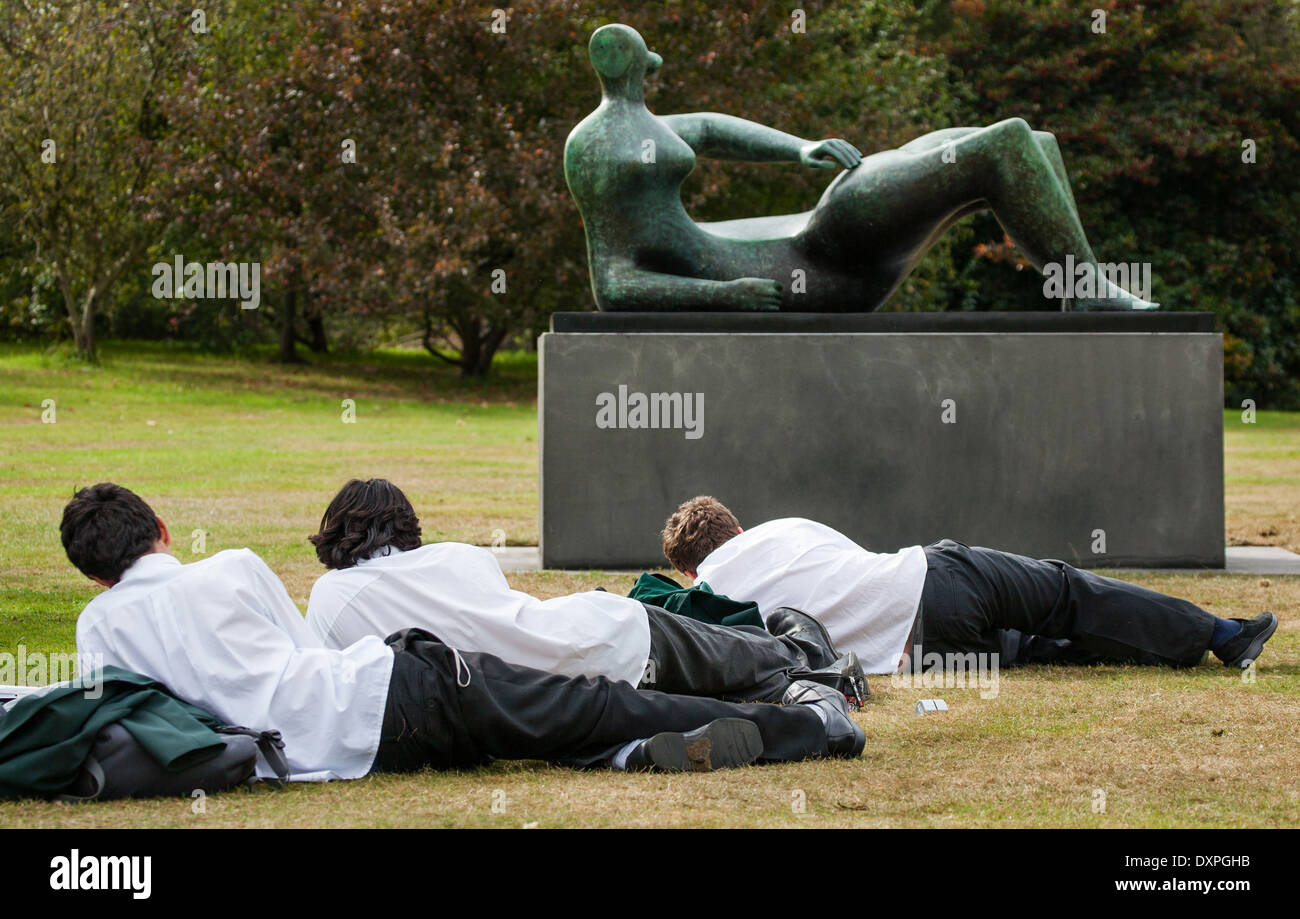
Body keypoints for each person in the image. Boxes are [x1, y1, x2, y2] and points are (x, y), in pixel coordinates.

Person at [62, 483, 865, 779]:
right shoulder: (230, 566)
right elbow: (310, 660)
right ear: (162, 528)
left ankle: (627, 751)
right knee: (591, 705)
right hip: (394, 692)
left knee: (558, 724)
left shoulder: (95, 627)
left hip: (350, 751)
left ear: (92, 574)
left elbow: (142, 715)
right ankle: (807, 722)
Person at [565, 23, 1156, 314]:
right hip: (813, 263)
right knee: (1006, 146)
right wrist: (727, 295)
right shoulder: (595, 148)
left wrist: (800, 148)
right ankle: (1087, 292)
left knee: (1028, 143)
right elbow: (613, 286)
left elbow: (713, 129)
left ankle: (1084, 287)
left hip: (803, 237)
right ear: (646, 64)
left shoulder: (645, 125)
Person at [305, 478, 866, 707]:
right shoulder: (455, 557)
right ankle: (813, 665)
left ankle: (806, 684)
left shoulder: (329, 603)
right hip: (602, 632)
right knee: (741, 653)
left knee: (715, 680)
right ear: (405, 526)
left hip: (560, 698)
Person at [659, 496, 1279, 675]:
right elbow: (860, 568)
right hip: (937, 577)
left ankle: (1169, 648)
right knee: (1067, 596)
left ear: (688, 569)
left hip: (920, 656)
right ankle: (1223, 635)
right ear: (735, 523)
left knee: (1035, 651)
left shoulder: (708, 605)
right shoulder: (784, 526)